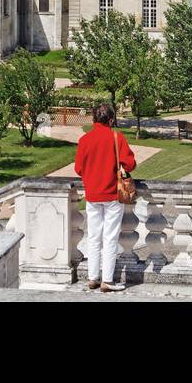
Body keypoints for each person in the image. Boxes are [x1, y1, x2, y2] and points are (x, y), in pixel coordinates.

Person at [74, 102, 136, 293]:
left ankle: (93, 277)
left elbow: (78, 169)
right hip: (112, 195)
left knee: (93, 237)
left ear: (94, 119)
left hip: (93, 195)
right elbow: (131, 164)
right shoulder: (116, 137)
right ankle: (107, 280)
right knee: (109, 238)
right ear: (111, 119)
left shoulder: (85, 140)